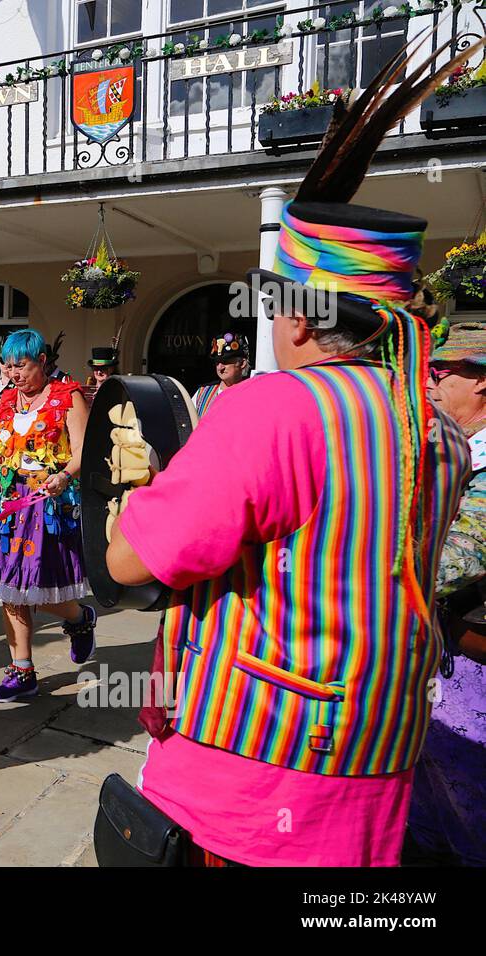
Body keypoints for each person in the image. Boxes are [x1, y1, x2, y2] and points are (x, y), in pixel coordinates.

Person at [104, 199, 472, 866]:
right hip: (377, 766)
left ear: (300, 317)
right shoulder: (440, 431)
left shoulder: (271, 409)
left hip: (251, 773)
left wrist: (136, 485)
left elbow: (132, 563)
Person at [0, 329, 96, 702]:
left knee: (37, 587)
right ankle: (22, 670)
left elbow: (83, 450)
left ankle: (79, 618)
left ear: (42, 361)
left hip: (47, 506)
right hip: (8, 505)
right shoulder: (6, 402)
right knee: (9, 588)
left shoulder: (68, 398)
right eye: (9, 367)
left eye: (23, 366)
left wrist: (63, 475)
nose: (15, 374)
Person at [407, 321, 486, 866]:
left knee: (470, 804)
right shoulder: (443, 445)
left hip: (470, 659)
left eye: (444, 369)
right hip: (435, 651)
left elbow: (457, 559)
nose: (430, 379)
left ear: (481, 382)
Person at [192, 333, 250, 418]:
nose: (220, 367)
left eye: (225, 362)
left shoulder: (250, 394)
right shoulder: (202, 393)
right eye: (217, 362)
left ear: (242, 363)